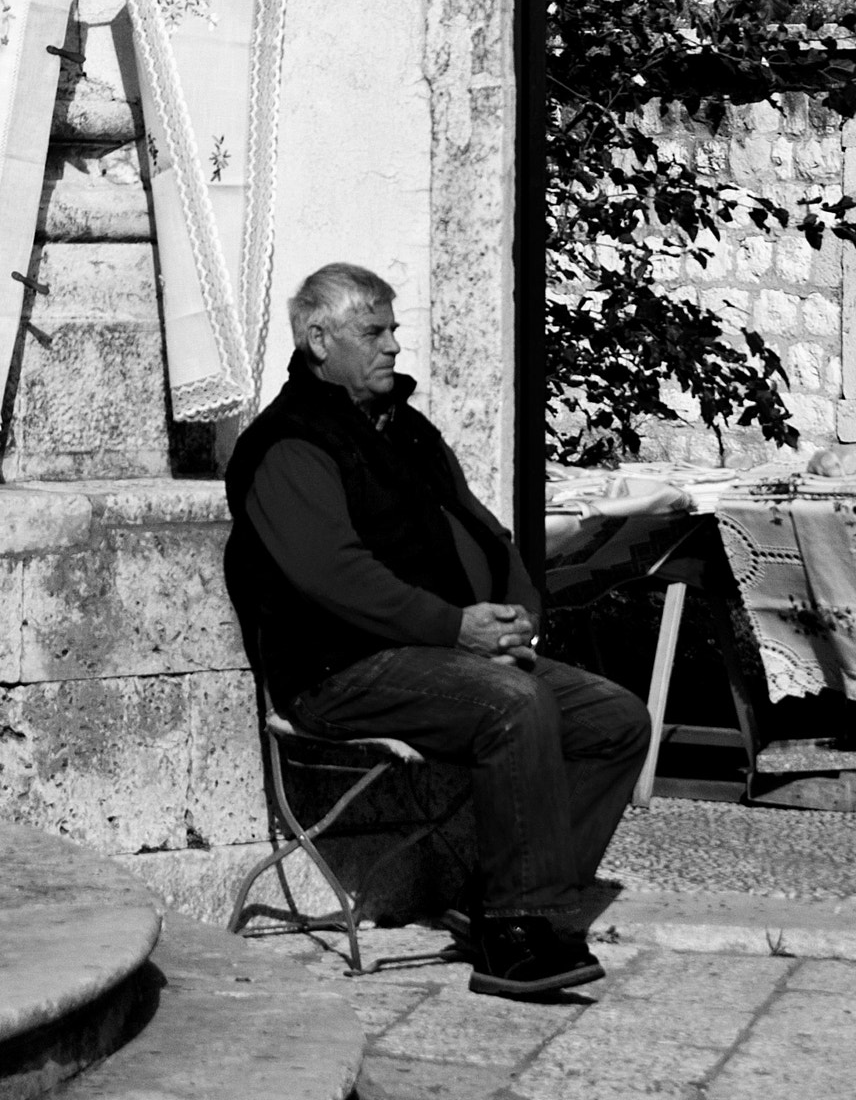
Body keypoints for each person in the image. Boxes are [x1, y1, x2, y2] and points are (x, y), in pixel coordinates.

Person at [223, 262, 651, 997]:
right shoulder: (289, 444)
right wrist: (457, 628)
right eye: (374, 331)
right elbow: (335, 576)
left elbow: (480, 528)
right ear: (318, 340)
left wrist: (520, 618)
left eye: (393, 329)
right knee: (513, 707)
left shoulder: (406, 429)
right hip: (340, 672)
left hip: (438, 655)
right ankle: (515, 934)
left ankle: (502, 897)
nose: (394, 345)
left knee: (616, 720)